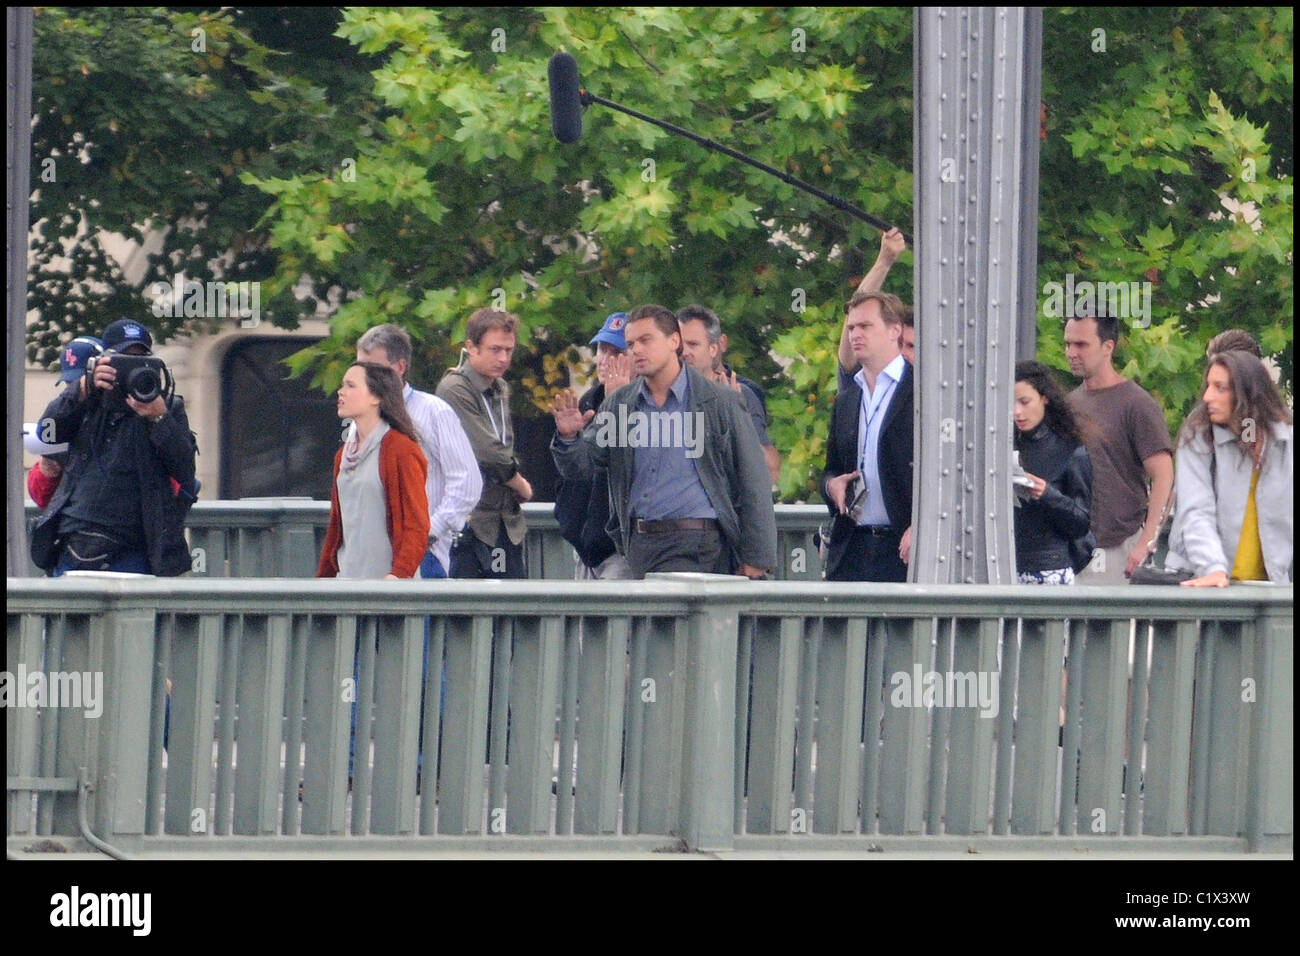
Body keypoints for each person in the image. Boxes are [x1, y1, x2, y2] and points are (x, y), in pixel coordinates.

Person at [549, 304, 777, 579]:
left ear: (674, 341)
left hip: (698, 544)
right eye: (631, 344)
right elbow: (582, 468)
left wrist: (757, 557)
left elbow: (754, 478)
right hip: (638, 546)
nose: (637, 350)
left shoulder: (720, 401)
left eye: (646, 340)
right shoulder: (621, 402)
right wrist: (569, 438)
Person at [30, 319, 198, 576]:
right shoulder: (87, 398)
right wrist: (83, 388)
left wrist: (158, 417)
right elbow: (48, 433)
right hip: (78, 536)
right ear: (105, 361)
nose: (131, 366)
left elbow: (185, 470)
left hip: (138, 541)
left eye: (141, 358)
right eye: (123, 359)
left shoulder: (167, 407)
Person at [355, 324, 481, 579]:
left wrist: (429, 531)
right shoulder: (360, 418)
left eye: (373, 369)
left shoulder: (435, 412)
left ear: (400, 367)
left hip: (422, 556)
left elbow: (468, 482)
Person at [1063, 312, 1173, 583]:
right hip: (1073, 546)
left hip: (1119, 546)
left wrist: (1146, 541)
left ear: (1108, 347)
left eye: (1081, 345)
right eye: (1067, 344)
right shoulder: (1067, 405)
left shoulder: (1136, 403)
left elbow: (1164, 475)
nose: (1071, 352)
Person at [1169, 350, 1292, 586]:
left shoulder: (1285, 440)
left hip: (1269, 589)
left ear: (1247, 394)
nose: (1207, 396)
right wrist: (1212, 568)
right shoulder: (1198, 434)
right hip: (1202, 579)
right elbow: (1196, 510)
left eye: (1220, 388)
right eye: (1208, 386)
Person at [822, 290, 915, 582]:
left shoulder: (923, 390)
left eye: (865, 326)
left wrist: (925, 526)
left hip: (903, 548)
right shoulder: (848, 398)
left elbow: (948, 471)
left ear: (894, 330)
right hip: (852, 547)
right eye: (851, 328)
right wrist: (832, 486)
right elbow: (831, 470)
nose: (855, 335)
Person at [436, 308, 531, 579]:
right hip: (470, 522)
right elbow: (487, 452)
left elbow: (503, 446)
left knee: (512, 612)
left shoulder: (500, 388)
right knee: (467, 614)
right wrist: (519, 482)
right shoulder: (455, 387)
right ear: (471, 347)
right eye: (495, 349)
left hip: (504, 520)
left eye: (509, 350)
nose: (503, 358)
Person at [317, 362, 430, 579]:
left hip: (388, 586)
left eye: (351, 385)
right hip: (347, 581)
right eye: (343, 385)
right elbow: (336, 527)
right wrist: (323, 579)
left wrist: (398, 574)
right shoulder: (343, 455)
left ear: (375, 397)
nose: (341, 392)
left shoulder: (401, 450)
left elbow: (416, 523)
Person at [552, 312, 635, 579]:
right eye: (602, 349)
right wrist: (568, 439)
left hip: (620, 551)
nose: (604, 359)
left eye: (616, 351)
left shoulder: (647, 404)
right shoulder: (589, 400)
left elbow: (625, 462)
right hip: (584, 547)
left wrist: (618, 403)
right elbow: (577, 469)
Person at [677, 304, 780, 485]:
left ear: (713, 349)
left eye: (693, 344)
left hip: (725, 509)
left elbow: (771, 471)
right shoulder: (659, 395)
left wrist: (734, 418)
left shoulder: (740, 394)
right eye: (679, 346)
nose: (684, 352)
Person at [1012, 361, 1093, 584]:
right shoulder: (1003, 444)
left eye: (1024, 402)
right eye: (1011, 404)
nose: (1017, 412)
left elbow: (1081, 522)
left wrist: (1047, 494)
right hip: (1009, 566)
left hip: (1050, 567)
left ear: (1044, 398)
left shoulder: (1070, 450)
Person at [838, 227, 910, 388]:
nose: (855, 335)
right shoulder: (855, 389)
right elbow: (859, 309)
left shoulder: (925, 393)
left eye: (912, 346)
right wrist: (884, 262)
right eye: (851, 329)